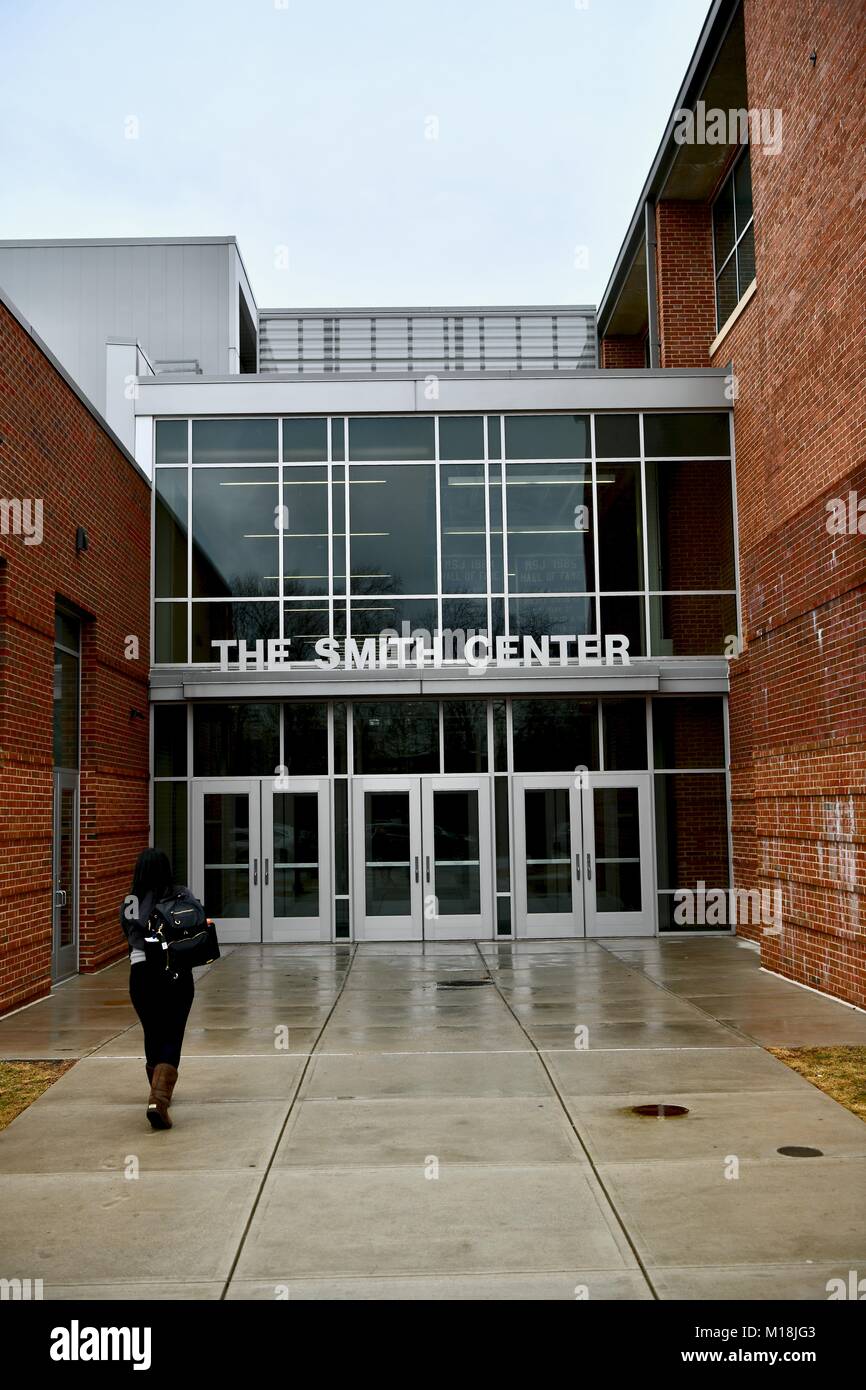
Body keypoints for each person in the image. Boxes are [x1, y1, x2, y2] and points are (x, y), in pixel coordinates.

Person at [121, 849, 199, 1130]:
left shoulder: (131, 900)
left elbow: (130, 933)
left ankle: (157, 1094)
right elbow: (196, 924)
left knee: (152, 1032)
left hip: (141, 972)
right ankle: (159, 1097)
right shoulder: (181, 895)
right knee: (173, 1031)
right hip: (175, 971)